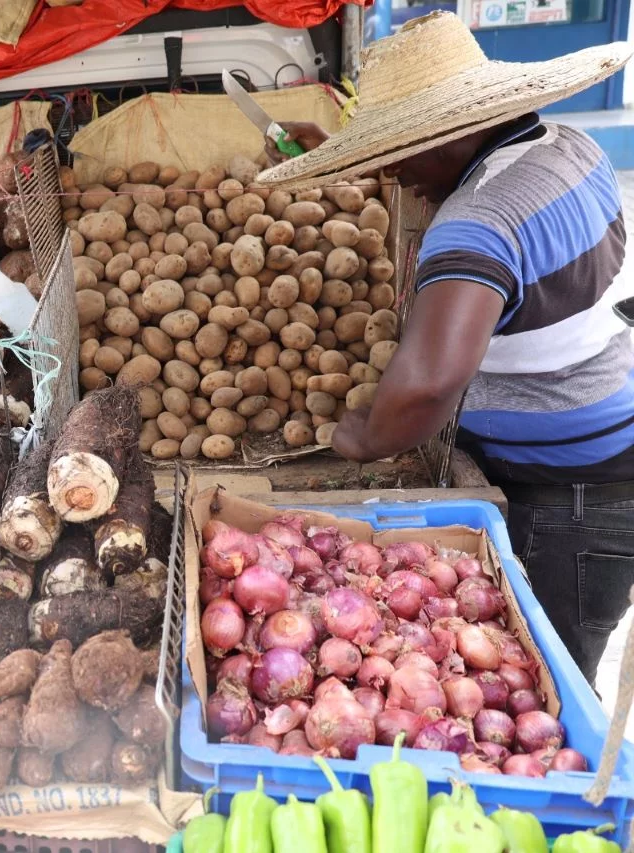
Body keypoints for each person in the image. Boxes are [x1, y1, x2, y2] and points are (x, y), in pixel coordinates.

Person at [256, 11, 634, 686]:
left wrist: (363, 437)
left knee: (546, 692)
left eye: (399, 154)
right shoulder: (567, 146)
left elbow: (427, 385)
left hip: (571, 499)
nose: (398, 179)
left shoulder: (476, 220)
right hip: (609, 454)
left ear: (447, 135)